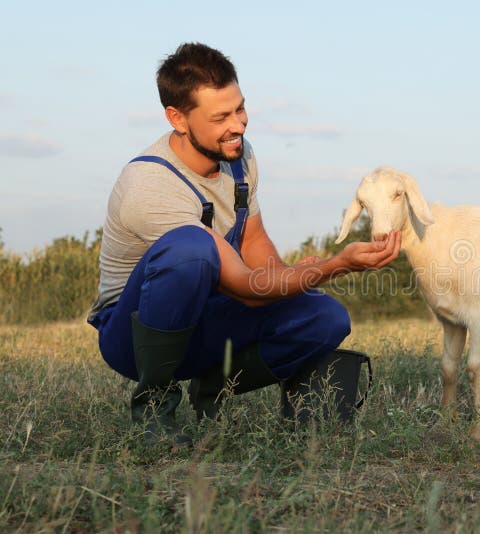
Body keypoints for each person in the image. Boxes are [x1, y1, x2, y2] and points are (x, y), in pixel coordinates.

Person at [87, 42, 401, 447]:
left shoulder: (239, 156)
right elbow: (249, 292)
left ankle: (212, 385)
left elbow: (254, 244)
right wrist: (333, 265)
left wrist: (294, 276)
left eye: (240, 108)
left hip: (207, 315)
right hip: (132, 336)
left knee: (326, 316)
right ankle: (153, 408)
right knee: (190, 248)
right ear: (177, 118)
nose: (238, 125)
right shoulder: (149, 185)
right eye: (220, 116)